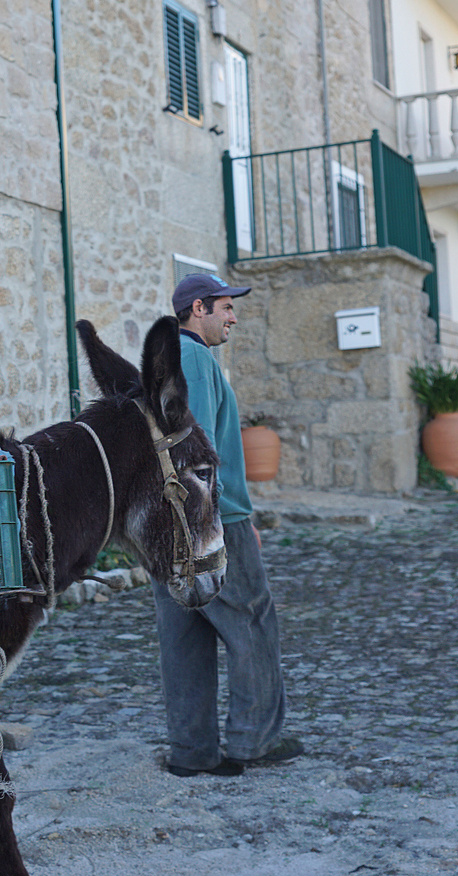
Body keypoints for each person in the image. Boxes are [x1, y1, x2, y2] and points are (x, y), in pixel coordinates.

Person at [154, 272, 302, 777]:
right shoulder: (193, 359)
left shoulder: (163, 362)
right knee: (253, 624)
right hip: (208, 520)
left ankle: (192, 752)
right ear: (198, 309)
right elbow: (199, 455)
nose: (233, 317)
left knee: (186, 638)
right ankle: (252, 742)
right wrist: (227, 522)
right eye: (226, 307)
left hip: (165, 521)